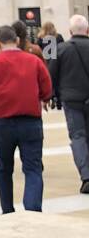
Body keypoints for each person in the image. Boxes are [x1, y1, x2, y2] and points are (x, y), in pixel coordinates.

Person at [0, 24, 52, 213]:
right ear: (17, 40)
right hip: (31, 121)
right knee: (33, 168)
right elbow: (47, 90)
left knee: (4, 168)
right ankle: (33, 210)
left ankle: (8, 210)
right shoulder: (34, 61)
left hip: (2, 121)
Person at [47, 14, 89, 194]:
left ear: (71, 31)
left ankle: (86, 176)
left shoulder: (60, 49)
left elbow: (51, 74)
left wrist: (51, 95)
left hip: (71, 100)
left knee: (78, 136)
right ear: (87, 30)